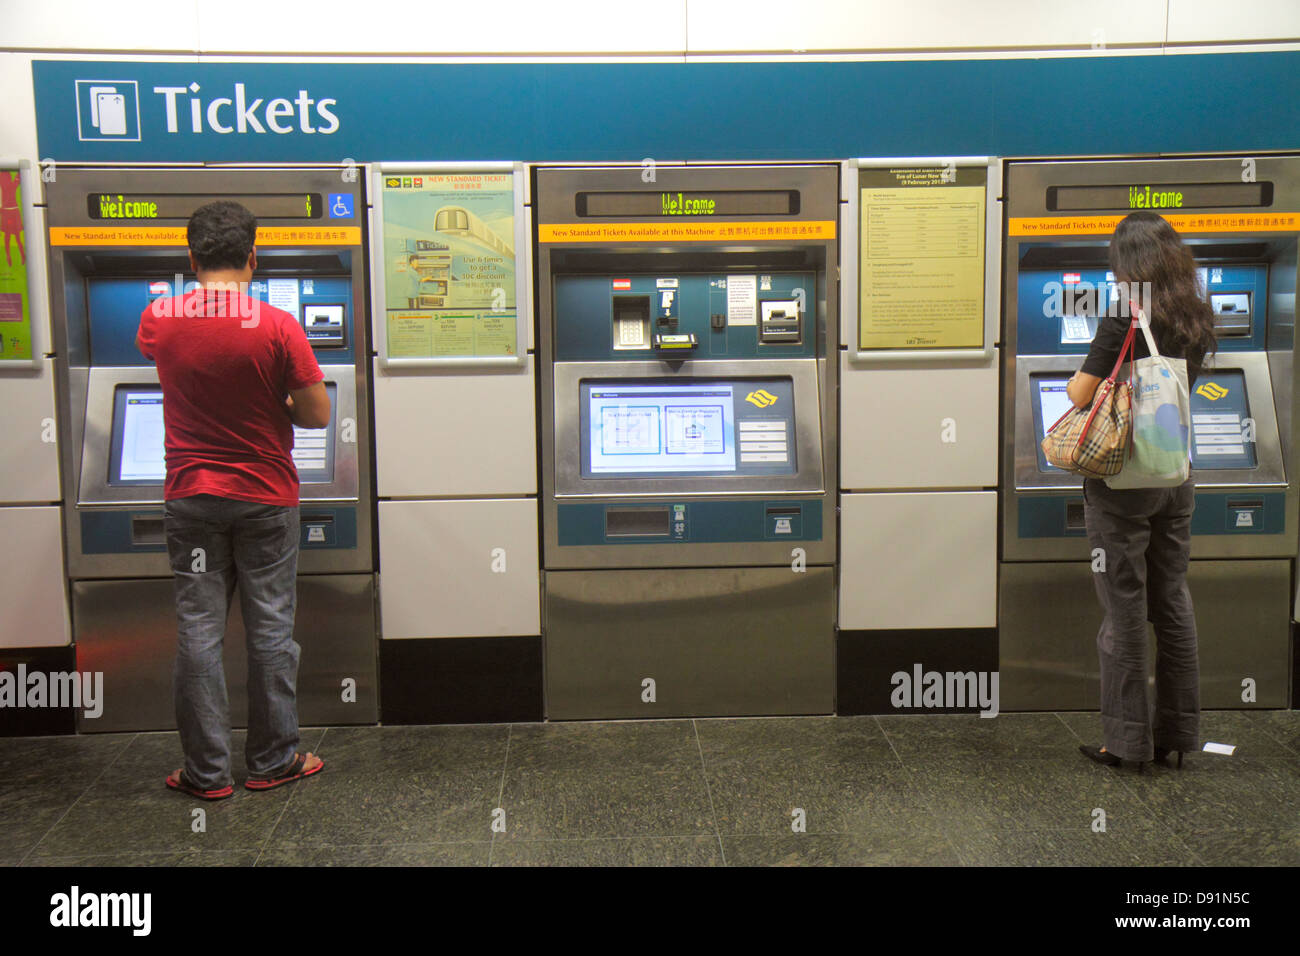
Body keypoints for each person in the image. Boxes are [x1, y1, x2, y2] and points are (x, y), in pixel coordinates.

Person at [137, 200, 327, 799]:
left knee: (199, 628)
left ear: (191, 258)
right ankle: (273, 762)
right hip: (266, 497)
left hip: (191, 498)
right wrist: (281, 403)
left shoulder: (159, 317)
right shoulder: (277, 325)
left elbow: (171, 363)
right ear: (253, 257)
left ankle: (206, 773)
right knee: (270, 629)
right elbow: (318, 415)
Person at [1066, 210, 1217, 772]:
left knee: (1123, 609)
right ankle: (1178, 733)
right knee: (1173, 600)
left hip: (1124, 479)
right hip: (1175, 472)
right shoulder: (1194, 315)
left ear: (1125, 263)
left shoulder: (1123, 315)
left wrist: (1080, 381)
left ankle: (1125, 741)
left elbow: (1081, 395)